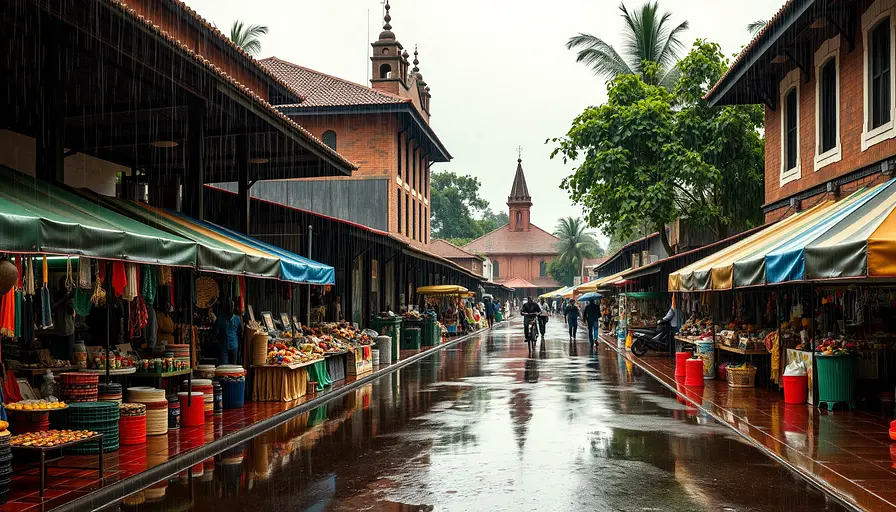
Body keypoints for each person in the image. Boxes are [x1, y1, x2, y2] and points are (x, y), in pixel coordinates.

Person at [52, 277, 75, 361]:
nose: (63, 286)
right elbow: (52, 308)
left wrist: (67, 301)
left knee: (69, 355)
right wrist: (63, 300)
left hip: (69, 328)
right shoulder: (57, 295)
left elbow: (71, 311)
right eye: (61, 284)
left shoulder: (71, 295)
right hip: (59, 328)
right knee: (59, 355)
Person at [215, 299, 241, 365]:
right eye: (228, 306)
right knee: (224, 366)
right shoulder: (220, 318)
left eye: (231, 306)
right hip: (223, 346)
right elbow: (215, 332)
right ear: (225, 307)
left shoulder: (237, 319)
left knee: (233, 366)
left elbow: (239, 332)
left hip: (234, 345)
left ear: (233, 307)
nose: (230, 308)